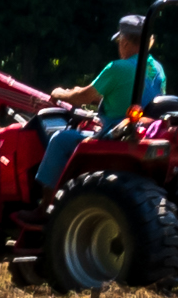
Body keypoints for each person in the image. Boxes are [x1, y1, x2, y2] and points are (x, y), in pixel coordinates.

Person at [34, 15, 165, 189]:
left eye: (120, 41)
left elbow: (82, 97)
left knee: (60, 139)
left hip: (119, 134)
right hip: (144, 129)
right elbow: (131, 97)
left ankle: (44, 208)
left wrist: (59, 93)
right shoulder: (157, 68)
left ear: (125, 42)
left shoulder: (117, 68)